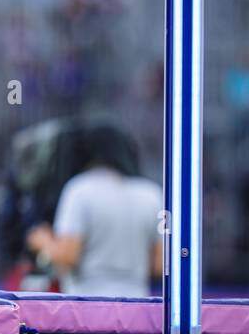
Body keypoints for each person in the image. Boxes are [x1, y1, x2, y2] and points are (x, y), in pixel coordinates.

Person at [25, 127, 163, 297]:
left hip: (88, 308)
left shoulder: (80, 189)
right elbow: (159, 264)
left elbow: (68, 256)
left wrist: (43, 241)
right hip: (137, 306)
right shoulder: (151, 194)